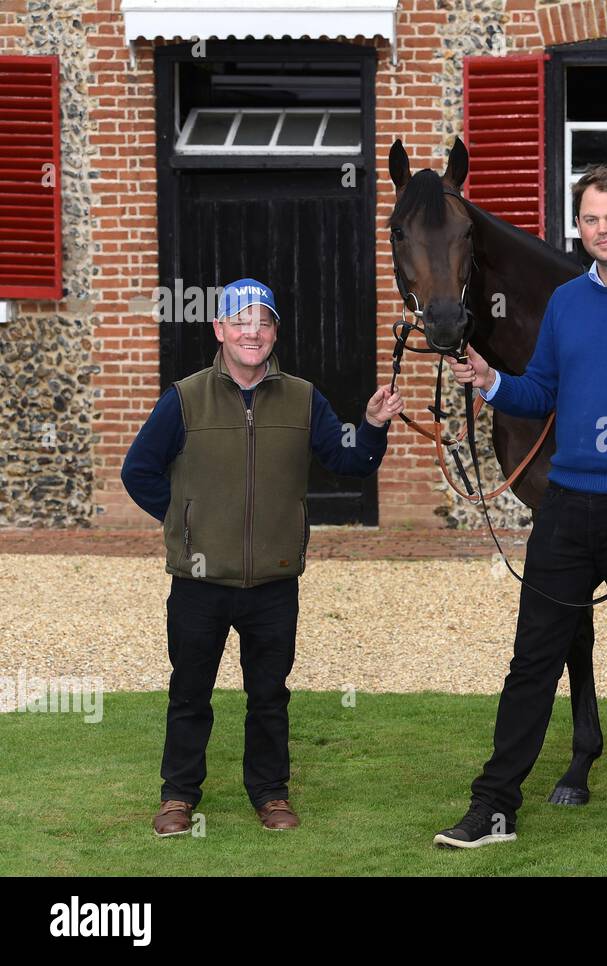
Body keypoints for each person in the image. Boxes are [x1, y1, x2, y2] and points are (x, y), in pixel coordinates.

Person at [435, 166, 607, 850]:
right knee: (532, 658)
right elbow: (541, 393)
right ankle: (494, 805)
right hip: (565, 507)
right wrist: (492, 380)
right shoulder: (566, 303)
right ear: (580, 227)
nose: (601, 230)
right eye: (590, 220)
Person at [121, 277, 403, 836]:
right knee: (189, 694)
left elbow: (348, 463)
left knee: (269, 697)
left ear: (275, 333)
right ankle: (178, 797)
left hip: (274, 583)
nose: (253, 332)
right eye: (241, 321)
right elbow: (138, 471)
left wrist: (370, 427)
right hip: (200, 582)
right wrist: (187, 524)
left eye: (264, 322)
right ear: (220, 330)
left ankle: (271, 795)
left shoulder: (302, 398)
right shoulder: (184, 397)